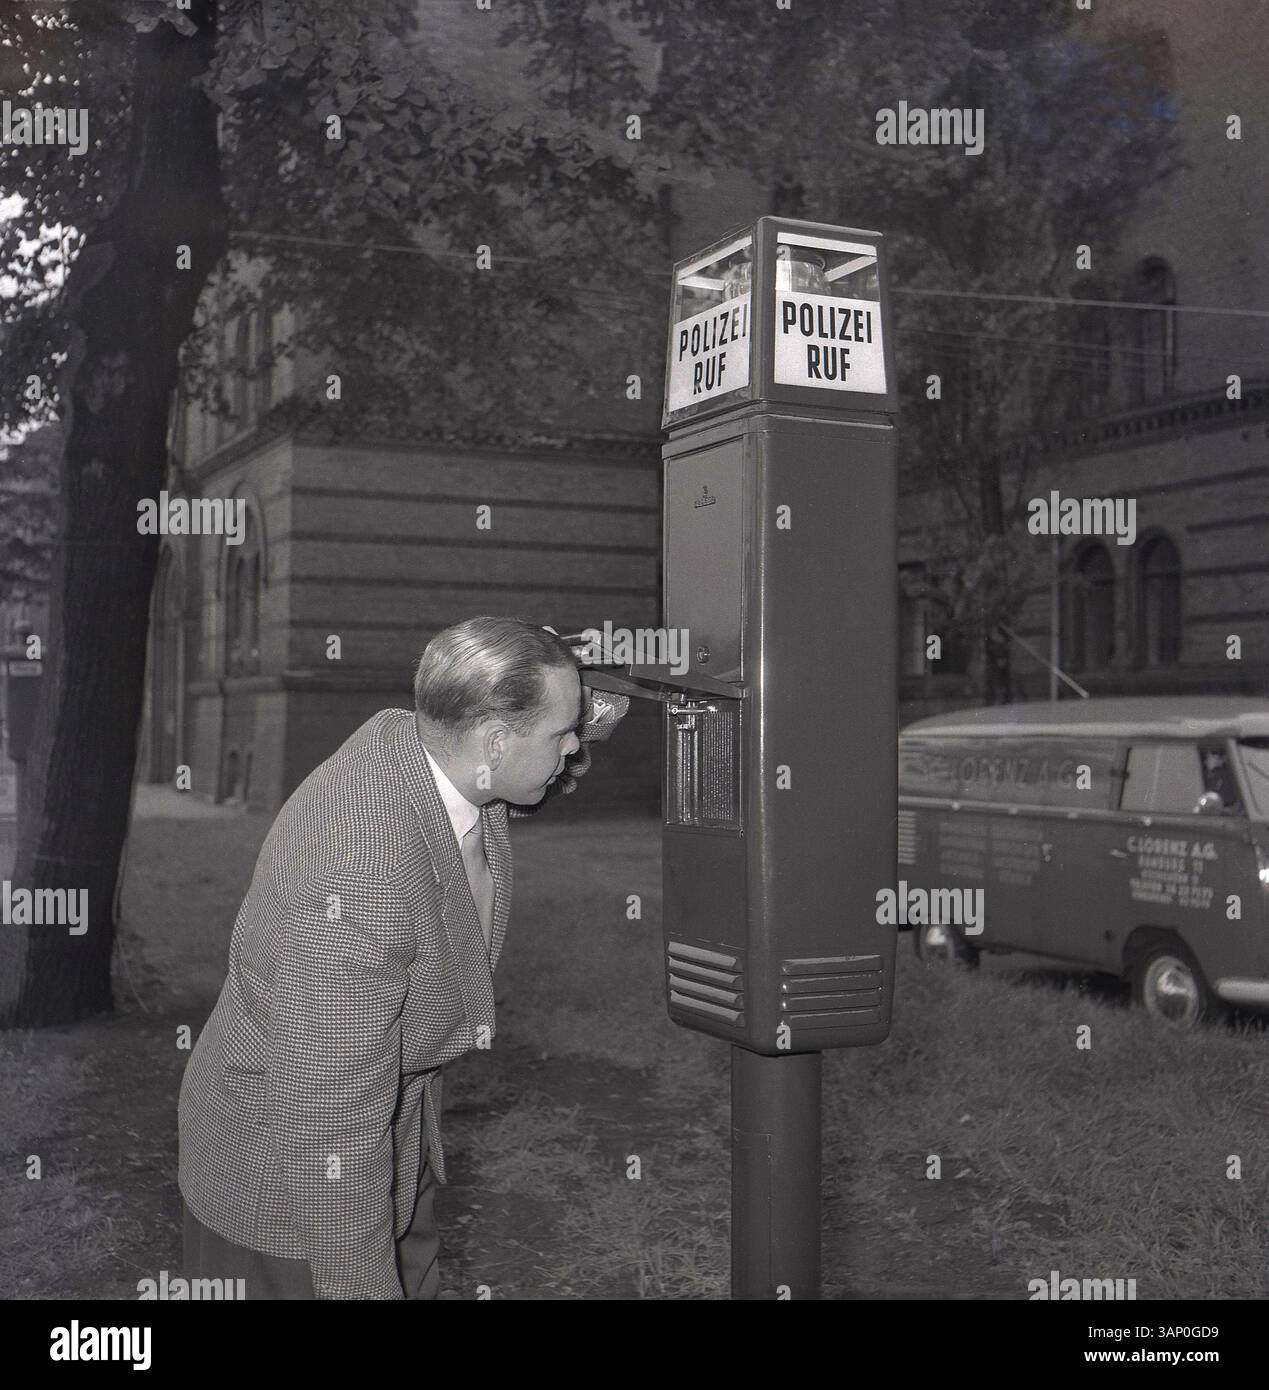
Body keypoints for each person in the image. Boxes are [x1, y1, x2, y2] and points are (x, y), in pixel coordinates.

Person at [178, 616, 628, 1299]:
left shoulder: (428, 743)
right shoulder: (357, 875)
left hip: (390, 1149)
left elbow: (537, 759)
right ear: (495, 739)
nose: (574, 748)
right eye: (562, 733)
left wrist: (578, 687)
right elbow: (329, 1126)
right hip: (300, 1195)